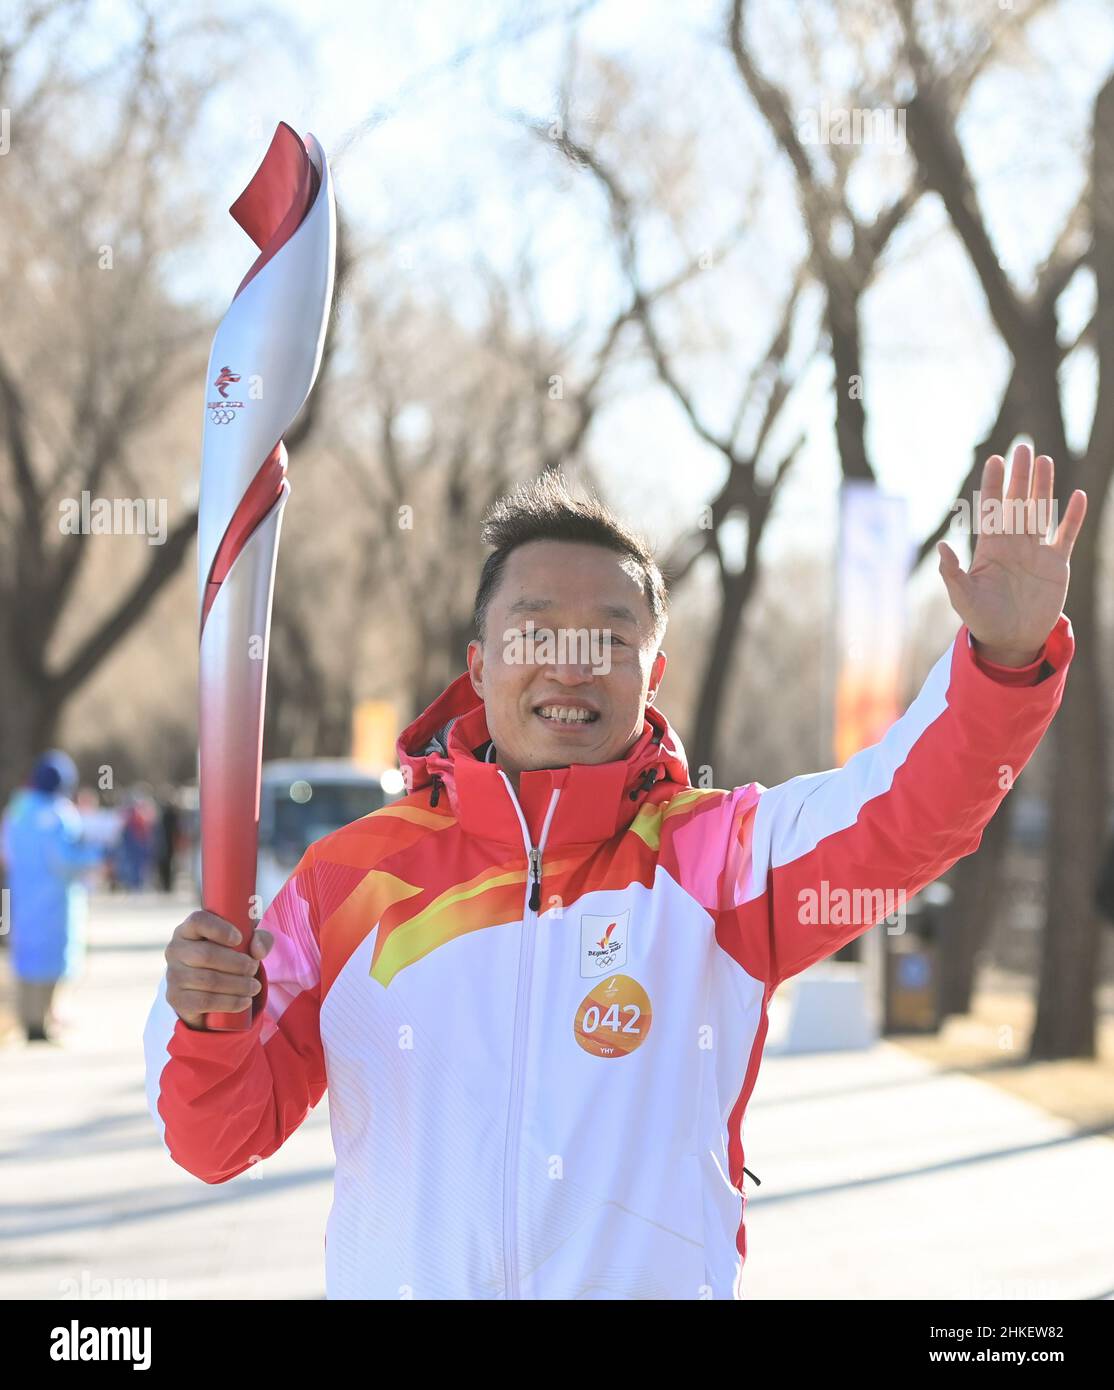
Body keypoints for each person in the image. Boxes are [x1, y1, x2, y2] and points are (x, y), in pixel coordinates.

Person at [144, 445, 1086, 1299]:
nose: (572, 665)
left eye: (609, 637)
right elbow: (218, 1139)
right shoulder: (347, 880)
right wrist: (205, 1019)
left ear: (653, 673)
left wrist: (1001, 663)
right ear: (478, 667)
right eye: (536, 631)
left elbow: (904, 814)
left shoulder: (715, 862)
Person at [1, 751, 104, 1043]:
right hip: (55, 902)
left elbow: (5, 852)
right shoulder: (59, 813)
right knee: (52, 959)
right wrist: (94, 855)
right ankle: (44, 1020)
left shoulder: (18, 808)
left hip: (20, 898)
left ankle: (31, 1021)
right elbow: (66, 859)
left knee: (26, 958)